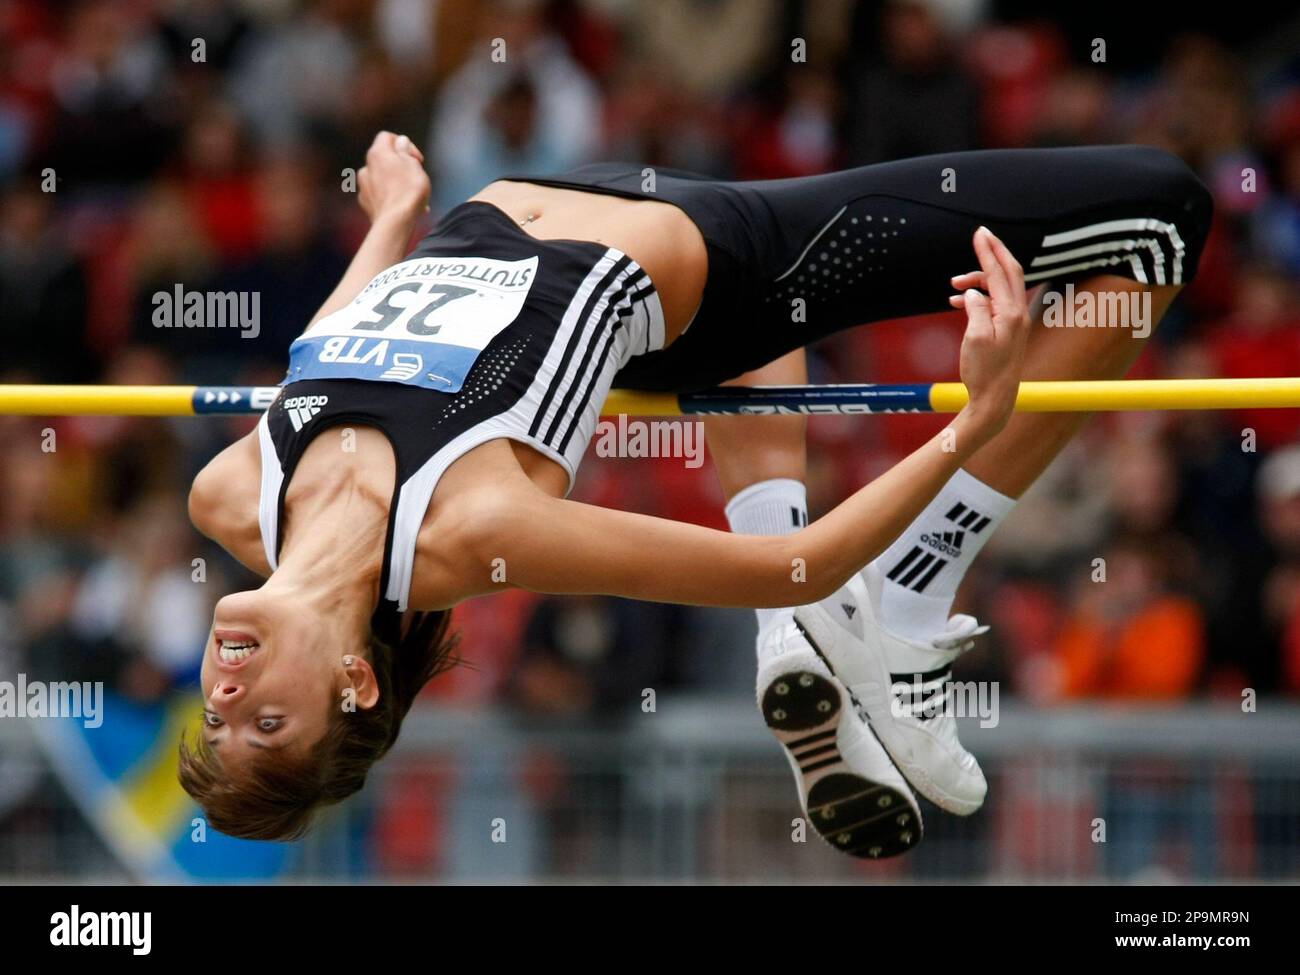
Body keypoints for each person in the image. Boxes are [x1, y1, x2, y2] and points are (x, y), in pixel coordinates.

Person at [182, 131, 1212, 854]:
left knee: (759, 396)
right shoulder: (460, 530)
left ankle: (807, 636)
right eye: (268, 728)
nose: (227, 704)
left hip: (535, 196)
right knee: (1159, 215)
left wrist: (395, 218)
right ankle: (906, 595)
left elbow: (328, 342)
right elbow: (790, 567)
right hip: (720, 261)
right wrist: (972, 426)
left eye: (218, 724)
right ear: (356, 682)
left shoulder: (232, 497)